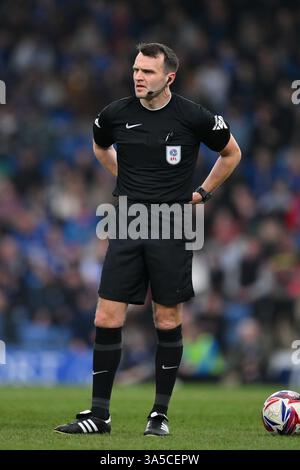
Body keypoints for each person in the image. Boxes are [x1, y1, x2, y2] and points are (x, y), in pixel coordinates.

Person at [55, 42, 241, 436]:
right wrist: (125, 181)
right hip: (127, 222)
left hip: (173, 225)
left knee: (167, 317)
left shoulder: (193, 116)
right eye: (136, 70)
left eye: (148, 72)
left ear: (168, 77)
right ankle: (99, 415)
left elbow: (231, 153)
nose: (138, 77)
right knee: (105, 316)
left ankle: (159, 414)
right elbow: (100, 146)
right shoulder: (114, 114)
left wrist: (203, 194)